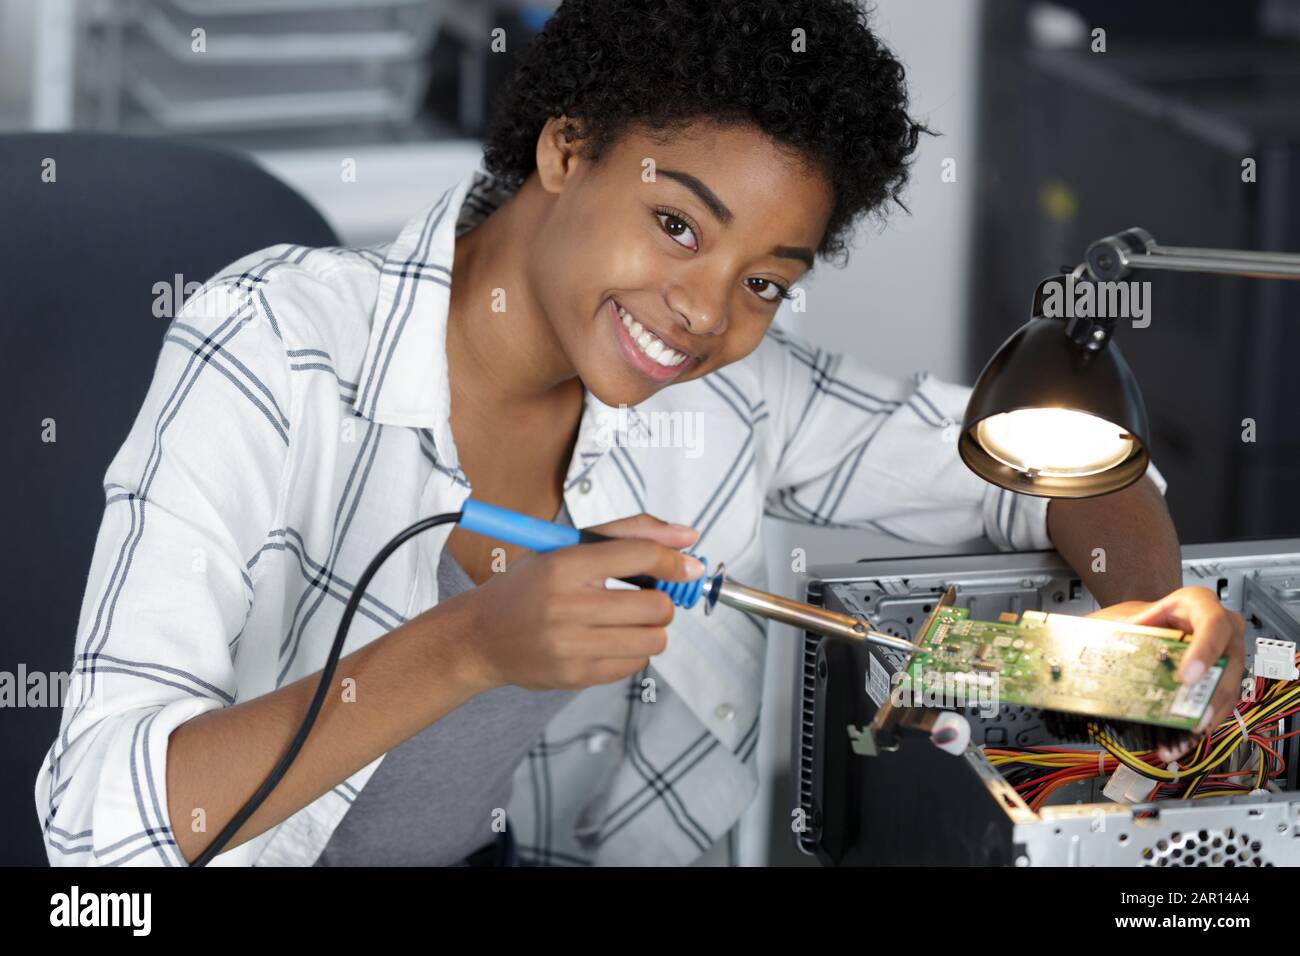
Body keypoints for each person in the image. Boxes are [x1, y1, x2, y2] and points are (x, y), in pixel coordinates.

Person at [37, 0, 1244, 867]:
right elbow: (99, 834)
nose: (707, 312)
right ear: (567, 150)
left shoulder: (725, 399)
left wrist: (1152, 616)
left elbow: (1046, 473)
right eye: (676, 224)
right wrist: (469, 644)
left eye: (766, 280)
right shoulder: (271, 344)